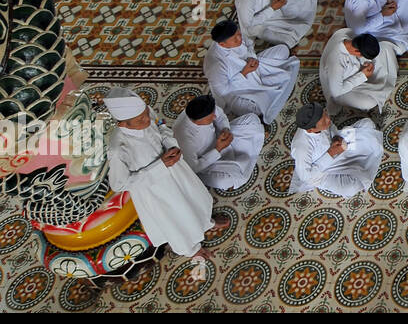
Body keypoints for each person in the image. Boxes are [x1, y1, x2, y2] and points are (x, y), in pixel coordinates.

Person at [105, 87, 229, 262]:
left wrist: (171, 144)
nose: (147, 120)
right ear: (123, 125)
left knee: (194, 198)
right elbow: (120, 184)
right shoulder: (118, 149)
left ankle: (206, 222)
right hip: (157, 190)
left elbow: (162, 127)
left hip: (176, 170)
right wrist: (160, 166)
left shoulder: (146, 113)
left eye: (146, 114)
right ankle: (191, 249)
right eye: (140, 120)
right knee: (177, 218)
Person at [203, 19, 297, 124]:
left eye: (239, 34)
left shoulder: (237, 34)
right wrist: (244, 72)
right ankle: (268, 87)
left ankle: (268, 84)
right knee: (255, 111)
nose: (239, 39)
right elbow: (224, 91)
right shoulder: (215, 64)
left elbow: (249, 44)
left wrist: (251, 58)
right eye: (235, 39)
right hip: (238, 91)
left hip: (255, 68)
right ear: (222, 44)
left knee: (283, 50)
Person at [288, 102, 384, 198]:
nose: (328, 119)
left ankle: (360, 158)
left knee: (367, 124)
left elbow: (331, 127)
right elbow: (306, 177)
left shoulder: (323, 120)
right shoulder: (301, 148)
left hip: (336, 146)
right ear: (310, 130)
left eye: (325, 114)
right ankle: (359, 162)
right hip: (324, 171)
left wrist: (336, 138)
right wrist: (331, 153)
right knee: (351, 188)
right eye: (323, 121)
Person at [172, 94, 263, 192]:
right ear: (198, 121)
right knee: (228, 180)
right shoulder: (184, 138)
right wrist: (218, 149)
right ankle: (242, 157)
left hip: (219, 138)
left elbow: (221, 117)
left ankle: (241, 158)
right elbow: (194, 167)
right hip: (208, 162)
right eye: (211, 117)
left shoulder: (205, 107)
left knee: (252, 120)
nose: (214, 116)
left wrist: (225, 130)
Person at [319, 29, 398, 118]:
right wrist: (362, 76)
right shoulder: (336, 62)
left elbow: (359, 57)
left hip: (356, 72)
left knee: (386, 48)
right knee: (369, 102)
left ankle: (376, 82)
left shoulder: (346, 33)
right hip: (342, 89)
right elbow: (336, 92)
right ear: (357, 52)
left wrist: (366, 62)